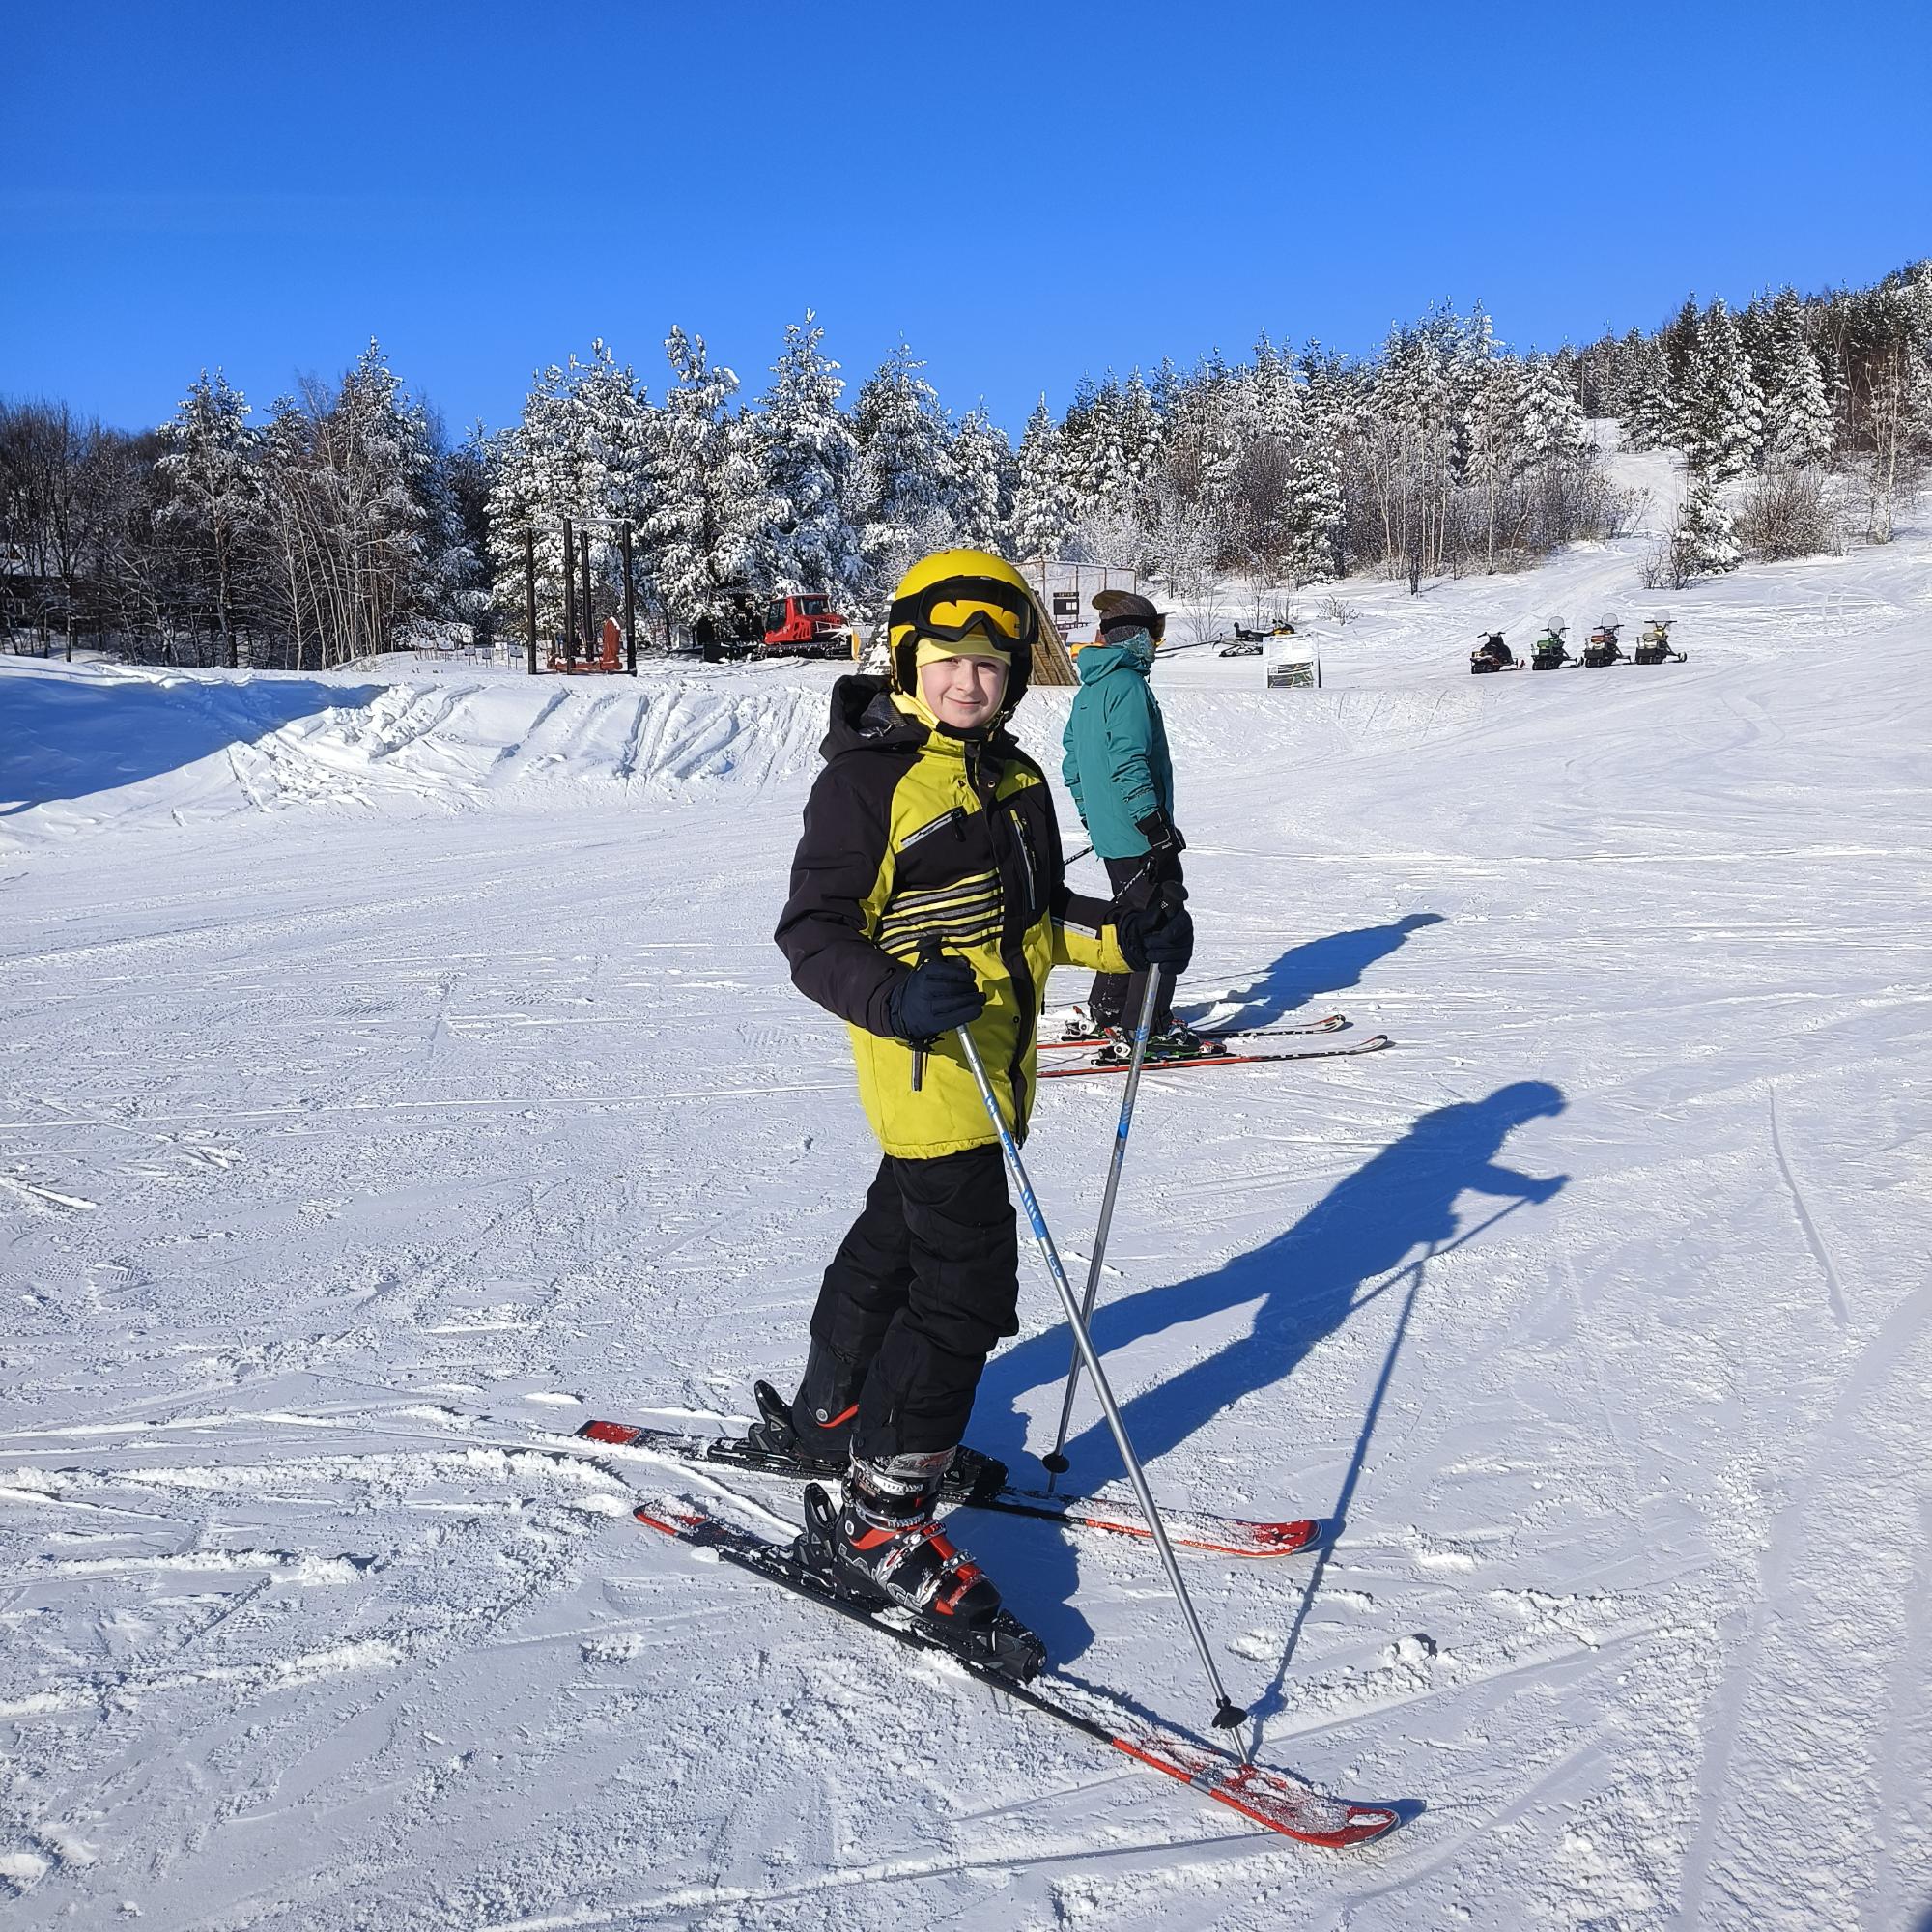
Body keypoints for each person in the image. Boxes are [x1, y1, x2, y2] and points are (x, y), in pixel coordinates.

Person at [761, 549, 1193, 1633]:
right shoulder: (865, 783)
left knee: (894, 1237)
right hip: (926, 1068)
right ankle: (881, 1515)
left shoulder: (1016, 780)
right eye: (948, 658)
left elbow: (1036, 920)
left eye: (990, 663)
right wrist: (896, 995)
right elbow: (813, 932)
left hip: (997, 1066)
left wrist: (1127, 937)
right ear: (907, 659)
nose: (968, 680)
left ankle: (832, 1411)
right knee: (964, 1287)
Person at [1060, 589, 1200, 1058]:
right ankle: (1146, 1026)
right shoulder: (1128, 687)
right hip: (1139, 835)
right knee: (1163, 923)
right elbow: (1128, 761)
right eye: (1154, 637)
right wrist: (1153, 825)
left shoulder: (1090, 690)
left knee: (1129, 920)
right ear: (1135, 637)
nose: (1156, 648)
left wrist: (1094, 816)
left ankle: (1108, 1010)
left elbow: (1073, 765)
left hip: (1114, 835)